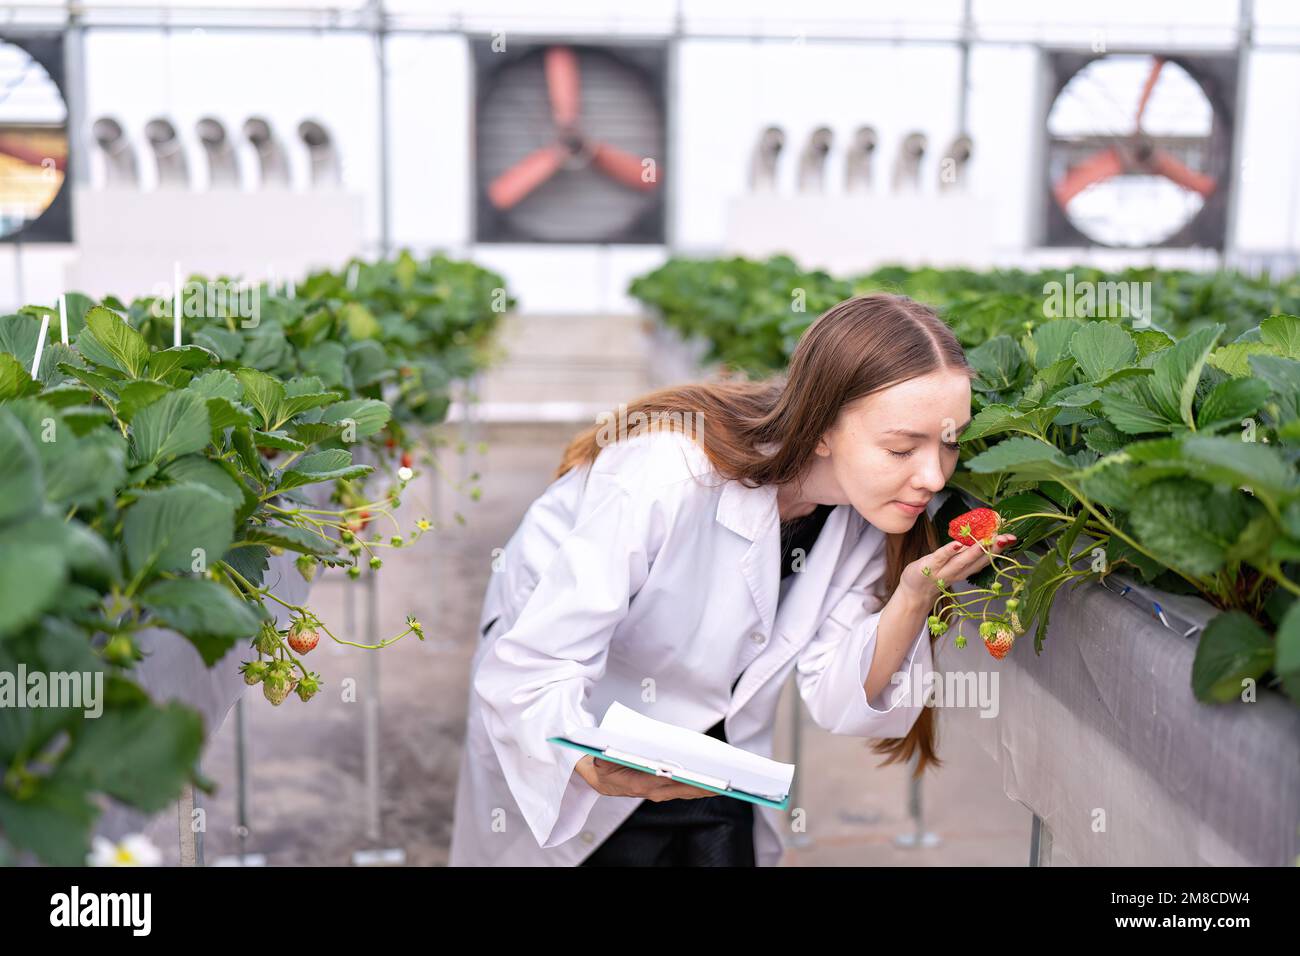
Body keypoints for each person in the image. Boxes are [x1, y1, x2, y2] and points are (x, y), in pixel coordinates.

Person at [448, 293, 1015, 867]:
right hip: (589, 715)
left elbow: (838, 696)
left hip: (709, 751)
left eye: (949, 441)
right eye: (900, 447)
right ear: (820, 427)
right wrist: (581, 760)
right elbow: (535, 665)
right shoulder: (668, 473)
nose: (932, 475)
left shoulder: (863, 515)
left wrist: (915, 596)